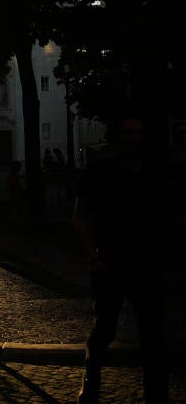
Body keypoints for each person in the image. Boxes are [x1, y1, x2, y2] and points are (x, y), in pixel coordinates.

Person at [73, 110, 169, 403]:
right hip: (110, 264)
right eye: (129, 133)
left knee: (153, 335)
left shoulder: (155, 173)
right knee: (103, 331)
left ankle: (156, 394)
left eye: (138, 133)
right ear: (118, 137)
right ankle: (91, 386)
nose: (134, 139)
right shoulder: (100, 172)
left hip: (147, 265)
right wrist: (94, 255)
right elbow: (80, 216)